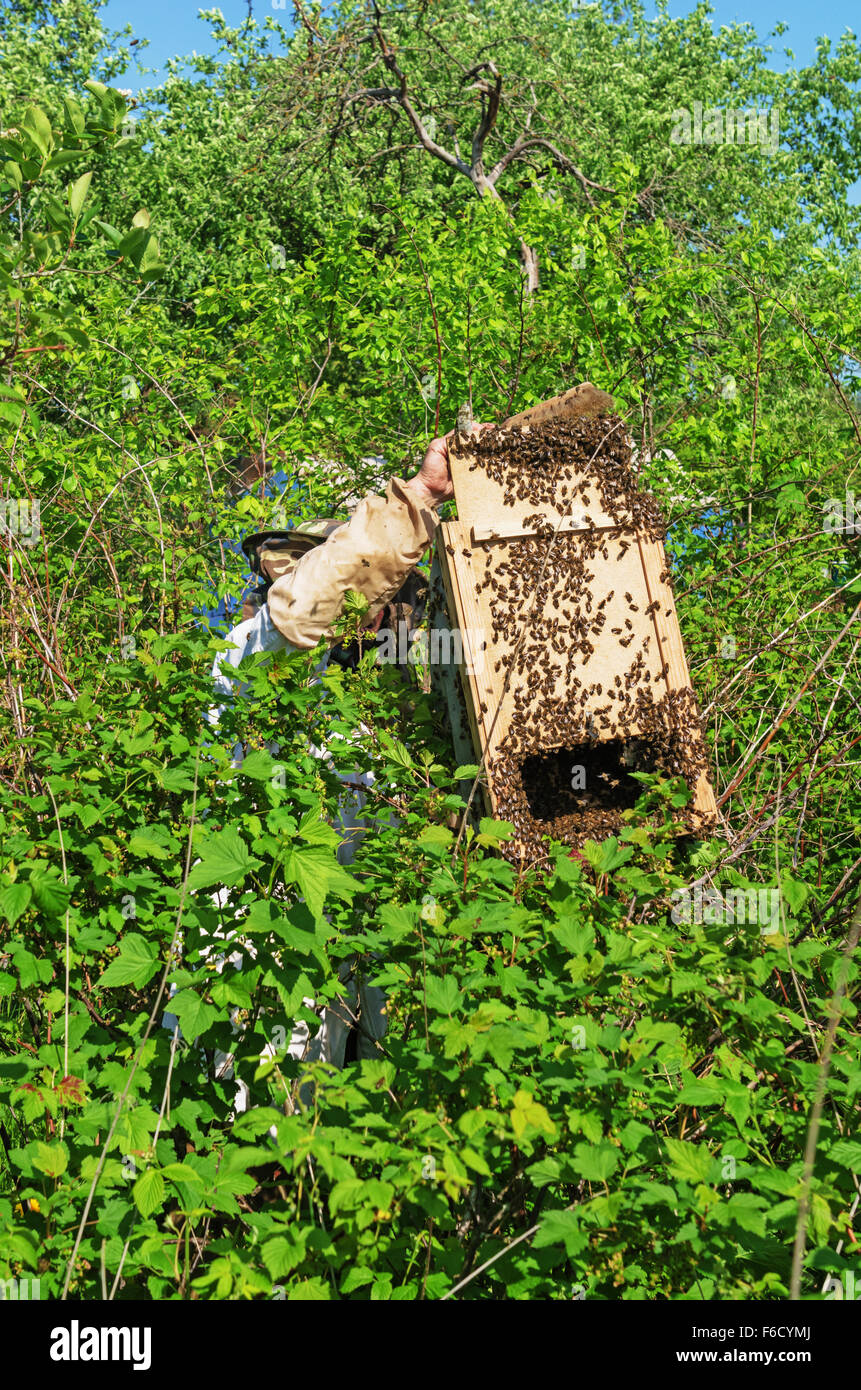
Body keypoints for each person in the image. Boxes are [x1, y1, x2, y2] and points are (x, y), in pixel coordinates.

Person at [202, 426, 482, 1097]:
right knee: (264, 1100)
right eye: (378, 594)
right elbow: (316, 604)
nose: (386, 611)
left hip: (353, 972)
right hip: (266, 957)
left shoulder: (390, 713)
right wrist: (419, 498)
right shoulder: (258, 651)